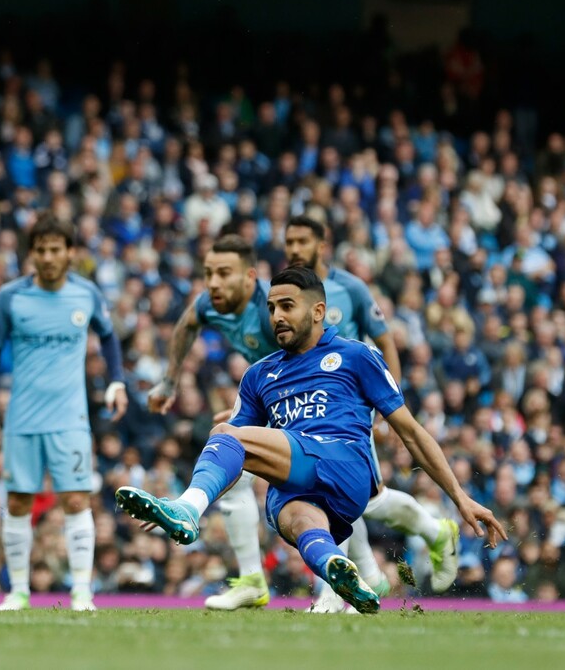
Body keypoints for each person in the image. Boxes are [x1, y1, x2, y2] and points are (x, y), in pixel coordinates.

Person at [116, 267, 505, 614]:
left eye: (287, 306)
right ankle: (339, 570)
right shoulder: (259, 375)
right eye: (271, 308)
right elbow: (235, 454)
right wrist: (212, 481)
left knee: (223, 434)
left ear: (318, 311)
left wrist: (459, 497)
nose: (277, 317)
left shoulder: (355, 356)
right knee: (296, 522)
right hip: (296, 484)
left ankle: (186, 510)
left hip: (344, 463)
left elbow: (412, 432)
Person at [285, 216, 462, 610]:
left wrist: (386, 403)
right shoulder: (284, 292)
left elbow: (385, 342)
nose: (294, 248)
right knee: (364, 500)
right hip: (305, 406)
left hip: (348, 407)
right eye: (289, 241)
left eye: (302, 240)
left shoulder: (351, 288)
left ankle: (332, 594)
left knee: (333, 492)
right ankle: (429, 536)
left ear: (322, 242)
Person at [0, 213, 128, 612]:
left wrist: (116, 380)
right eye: (40, 250)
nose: (47, 257)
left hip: (70, 418)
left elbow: (110, 337)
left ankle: (82, 591)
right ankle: (18, 591)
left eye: (55, 249)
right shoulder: (11, 296)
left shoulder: (87, 294)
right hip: (22, 418)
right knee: (18, 502)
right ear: (31, 254)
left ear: (70, 253)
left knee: (77, 500)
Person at [148, 235, 279, 610]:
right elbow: (187, 323)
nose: (214, 283)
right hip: (265, 393)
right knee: (232, 468)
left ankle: (430, 533)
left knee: (363, 499)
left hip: (309, 394)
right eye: (208, 273)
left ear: (250, 277)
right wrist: (169, 380)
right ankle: (252, 580)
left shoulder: (271, 310)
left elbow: (308, 360)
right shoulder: (211, 303)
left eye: (224, 273)